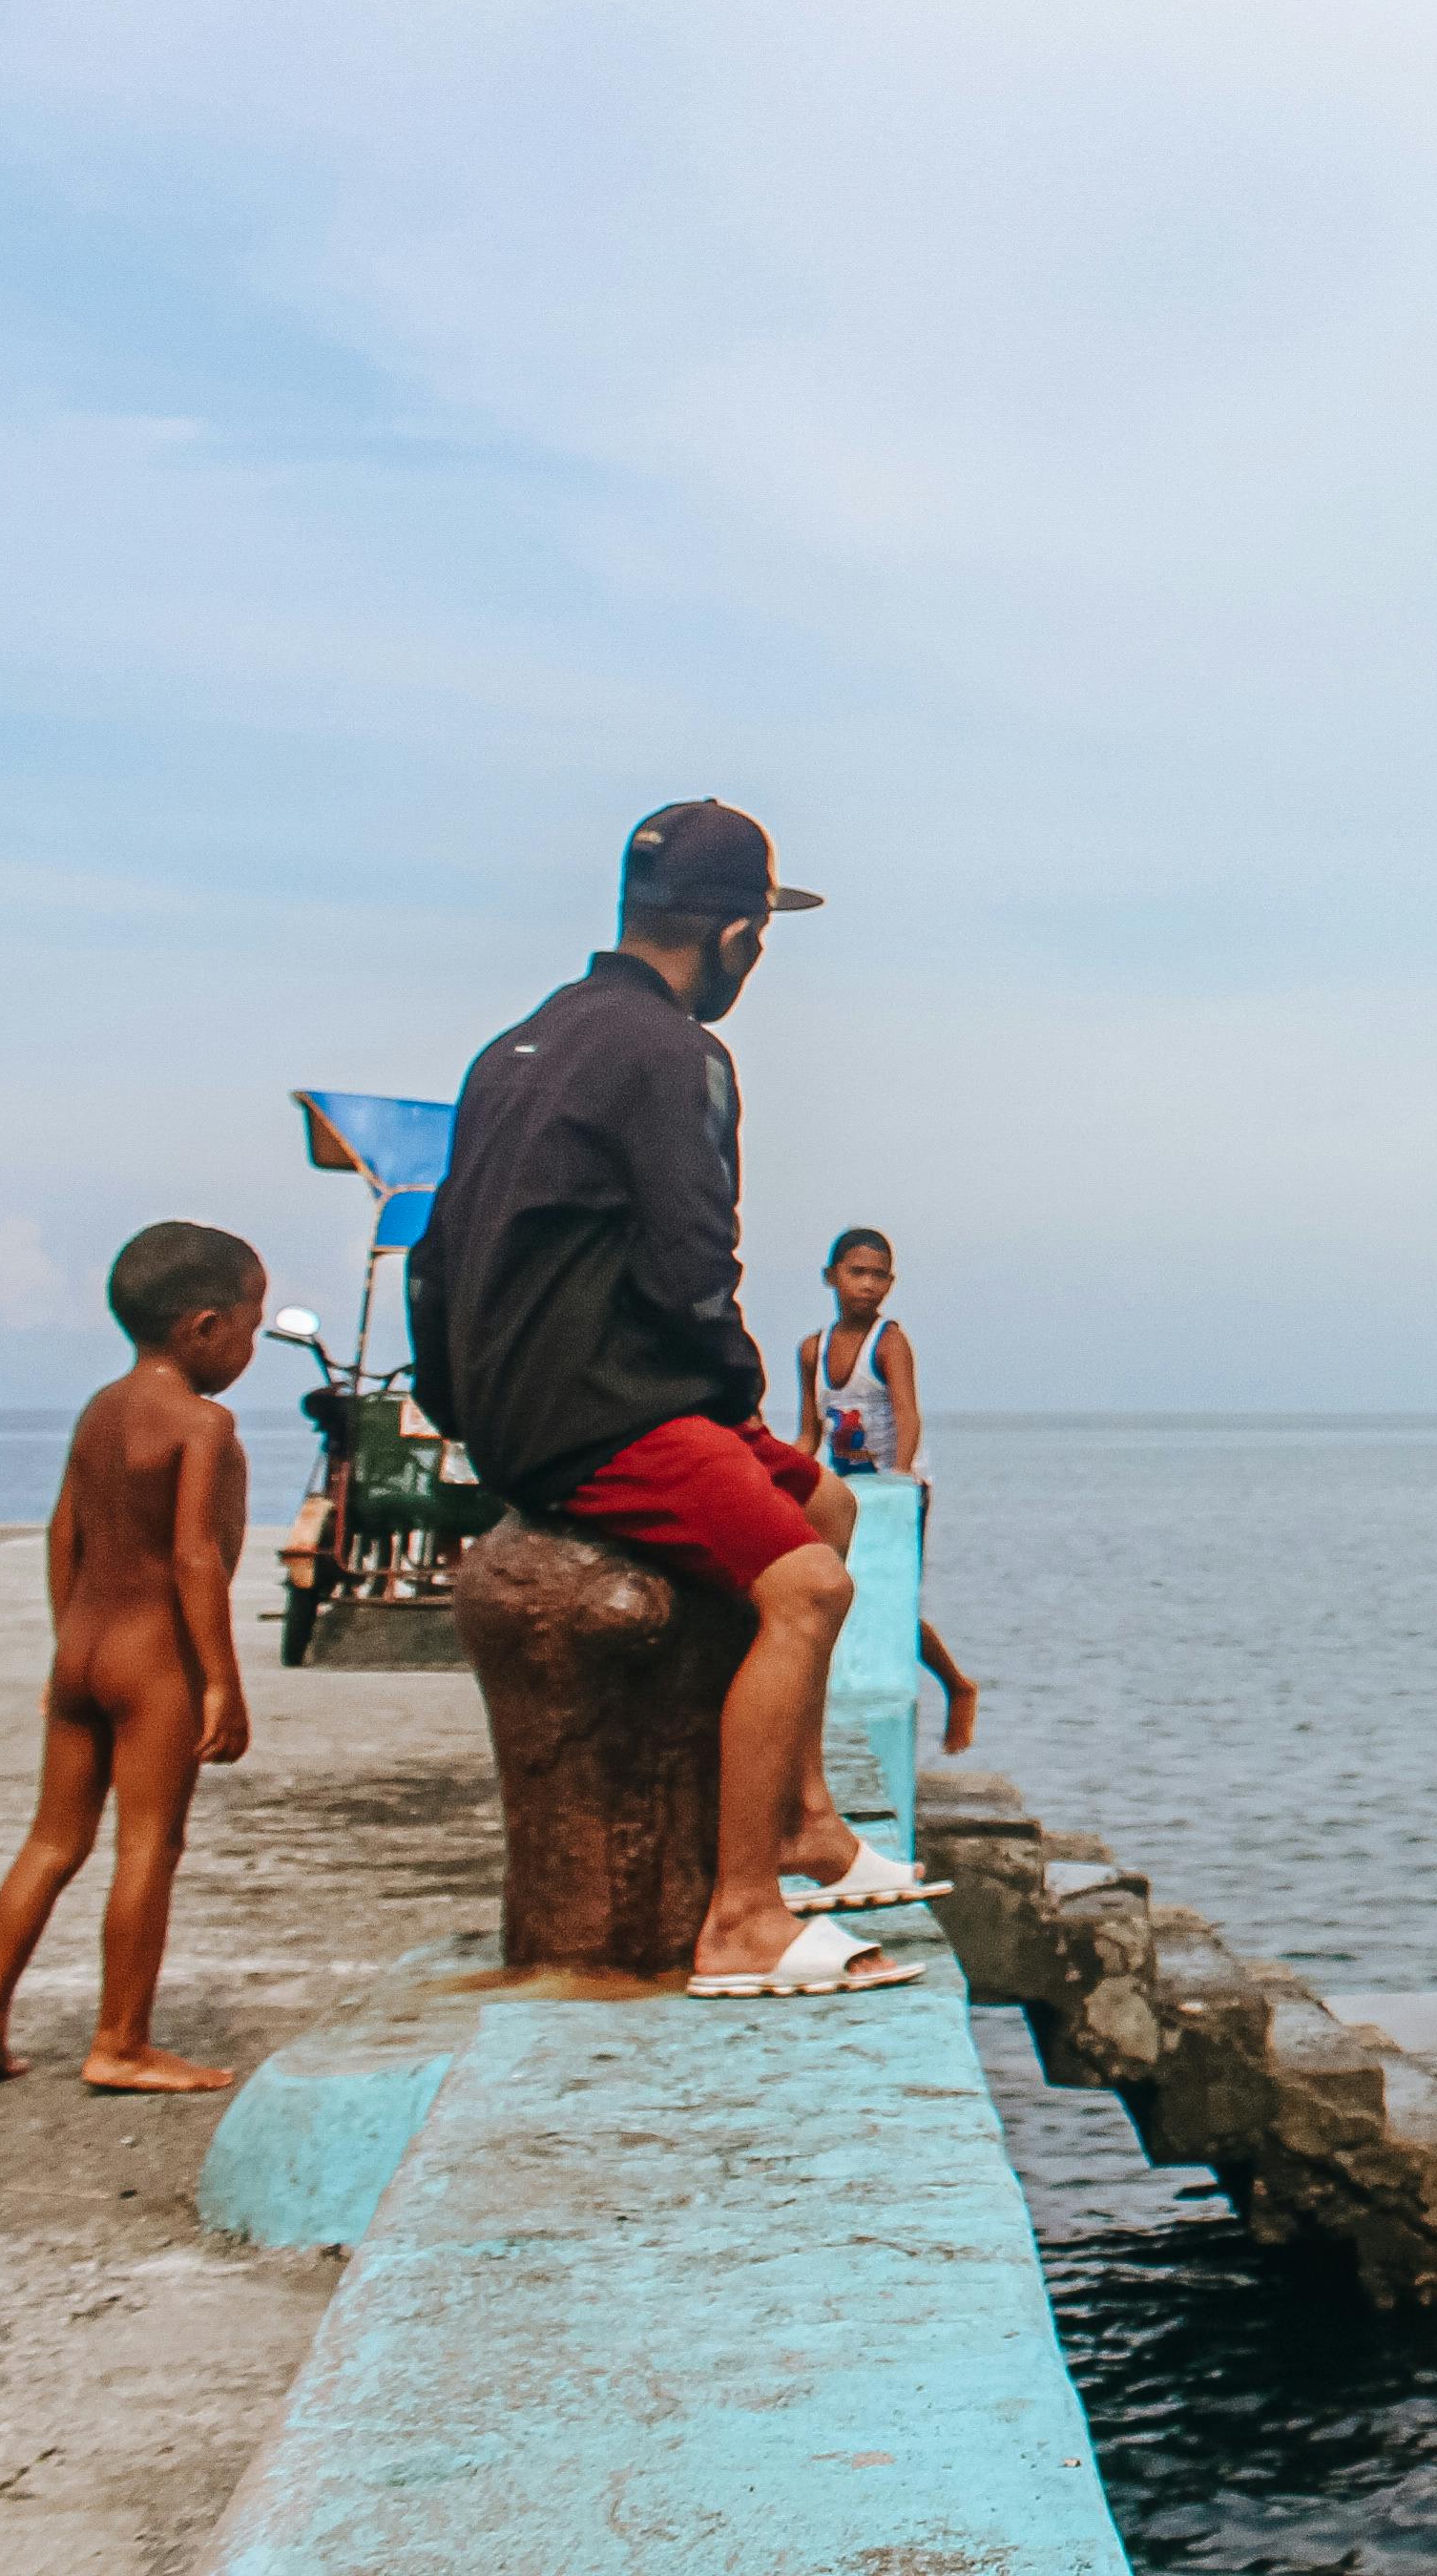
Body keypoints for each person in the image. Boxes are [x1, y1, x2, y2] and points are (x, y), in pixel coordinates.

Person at [409, 800, 927, 1999]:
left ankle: (807, 1826)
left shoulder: (516, 1046)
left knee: (827, 1508)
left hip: (547, 1402)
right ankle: (742, 1920)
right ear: (738, 932)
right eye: (760, 940)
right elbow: (695, 1261)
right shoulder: (679, 1054)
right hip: (601, 1410)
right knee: (809, 1585)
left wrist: (469, 1410)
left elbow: (438, 1256)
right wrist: (732, 1396)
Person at [0, 1225, 268, 2089]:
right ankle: (121, 2044)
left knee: (52, 1842)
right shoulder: (204, 1422)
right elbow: (197, 1555)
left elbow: (65, 1531)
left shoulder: (99, 1409)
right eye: (249, 1325)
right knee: (148, 1847)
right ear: (204, 1328)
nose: (249, 1345)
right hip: (154, 1657)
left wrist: (70, 1644)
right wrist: (221, 1685)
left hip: (82, 1647)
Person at [793, 1226, 975, 1755]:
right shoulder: (813, 1350)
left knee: (889, 1599)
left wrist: (898, 1480)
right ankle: (835, 1707)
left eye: (878, 1276)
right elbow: (811, 1431)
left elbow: (907, 1414)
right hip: (846, 1492)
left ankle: (956, 1686)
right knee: (836, 1591)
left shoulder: (889, 1342)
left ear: (890, 1283)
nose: (867, 1285)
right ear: (831, 1277)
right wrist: (781, 1473)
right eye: (856, 1273)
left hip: (899, 1491)